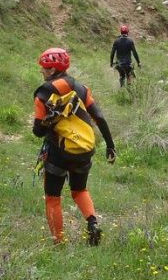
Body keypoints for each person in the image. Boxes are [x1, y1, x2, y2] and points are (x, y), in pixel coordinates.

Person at [33, 47, 116, 246]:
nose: (42, 72)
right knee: (79, 190)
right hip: (84, 150)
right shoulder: (80, 88)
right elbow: (100, 118)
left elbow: (38, 131)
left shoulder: (44, 92)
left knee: (53, 197)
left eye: (44, 68)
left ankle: (58, 241)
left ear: (53, 69)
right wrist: (110, 146)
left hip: (58, 152)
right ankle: (92, 222)